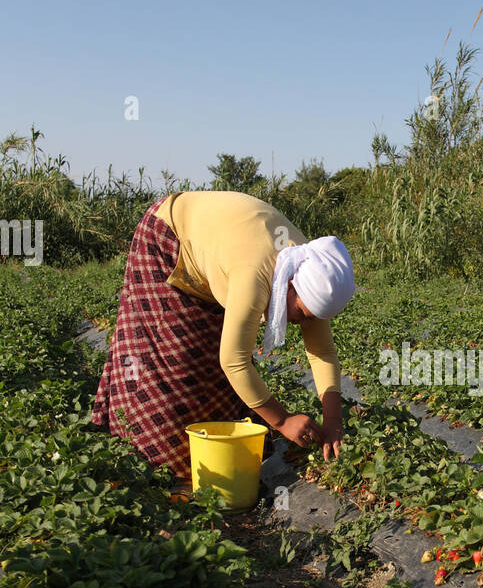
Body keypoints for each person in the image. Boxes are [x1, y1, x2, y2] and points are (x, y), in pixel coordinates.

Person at [91, 189, 354, 478]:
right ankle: (149, 461)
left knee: (206, 359)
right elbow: (234, 361)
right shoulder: (257, 274)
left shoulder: (313, 269)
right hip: (169, 236)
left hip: (221, 250)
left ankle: (223, 456)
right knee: (174, 361)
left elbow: (323, 352)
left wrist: (334, 422)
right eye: (303, 314)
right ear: (289, 285)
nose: (303, 323)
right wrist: (283, 421)